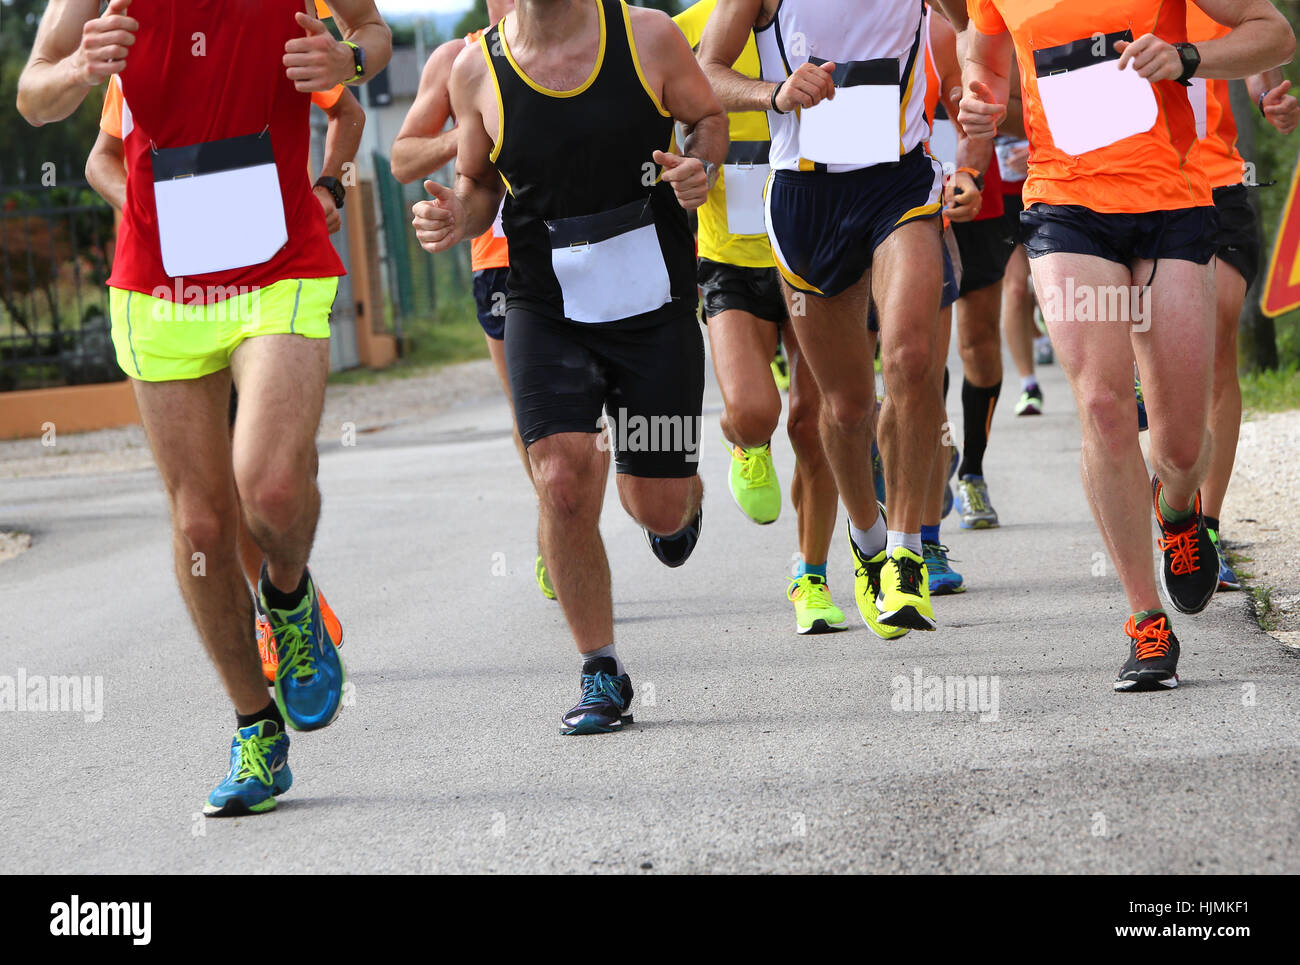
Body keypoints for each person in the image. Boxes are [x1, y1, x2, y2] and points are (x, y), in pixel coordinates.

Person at [19, 0, 392, 813]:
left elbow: (371, 33)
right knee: (199, 526)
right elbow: (33, 93)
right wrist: (81, 69)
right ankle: (255, 728)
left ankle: (288, 597)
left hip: (279, 260)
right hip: (159, 277)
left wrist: (349, 64)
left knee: (271, 487)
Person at [960, 0, 1294, 691]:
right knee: (1106, 406)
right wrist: (978, 99)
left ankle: (1177, 509)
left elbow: (1273, 32)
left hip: (1172, 204)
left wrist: (1187, 58)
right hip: (1066, 208)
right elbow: (985, 60)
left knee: (1178, 447)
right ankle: (1146, 619)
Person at [413, 0, 726, 734]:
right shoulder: (474, 69)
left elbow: (707, 116)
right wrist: (460, 214)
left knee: (656, 505)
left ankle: (683, 491)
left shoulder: (646, 34)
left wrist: (699, 167)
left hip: (652, 301)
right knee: (558, 476)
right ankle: (599, 669)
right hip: (544, 301)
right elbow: (480, 180)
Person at [700, 0, 972, 639]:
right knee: (847, 408)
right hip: (805, 196)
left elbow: (976, 18)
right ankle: (869, 540)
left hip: (899, 184)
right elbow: (705, 71)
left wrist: (971, 88)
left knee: (910, 356)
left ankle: (906, 551)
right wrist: (775, 92)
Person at [86, 66, 359, 683]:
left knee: (274, 479)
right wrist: (150, 208)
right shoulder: (139, 42)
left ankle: (287, 592)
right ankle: (275, 615)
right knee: (214, 504)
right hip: (175, 292)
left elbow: (349, 110)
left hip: (271, 279)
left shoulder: (278, 24)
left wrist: (328, 190)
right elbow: (100, 160)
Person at [675, 0, 846, 634]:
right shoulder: (683, 32)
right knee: (756, 412)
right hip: (731, 260)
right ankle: (745, 445)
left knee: (815, 422)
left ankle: (812, 575)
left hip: (812, 247)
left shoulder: (821, 17)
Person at [390, 1, 564, 600]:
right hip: (499, 260)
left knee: (601, 401)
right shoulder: (456, 59)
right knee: (532, 413)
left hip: (575, 244)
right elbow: (401, 156)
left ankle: (660, 487)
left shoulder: (576, 38)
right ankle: (556, 529)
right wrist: (462, 136)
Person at [1185, 3, 1300, 592]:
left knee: (1216, 336)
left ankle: (1203, 527)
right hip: (1123, 193)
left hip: (1218, 181)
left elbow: (1257, 38)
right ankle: (1169, 503)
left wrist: (1266, 96)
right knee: (1158, 358)